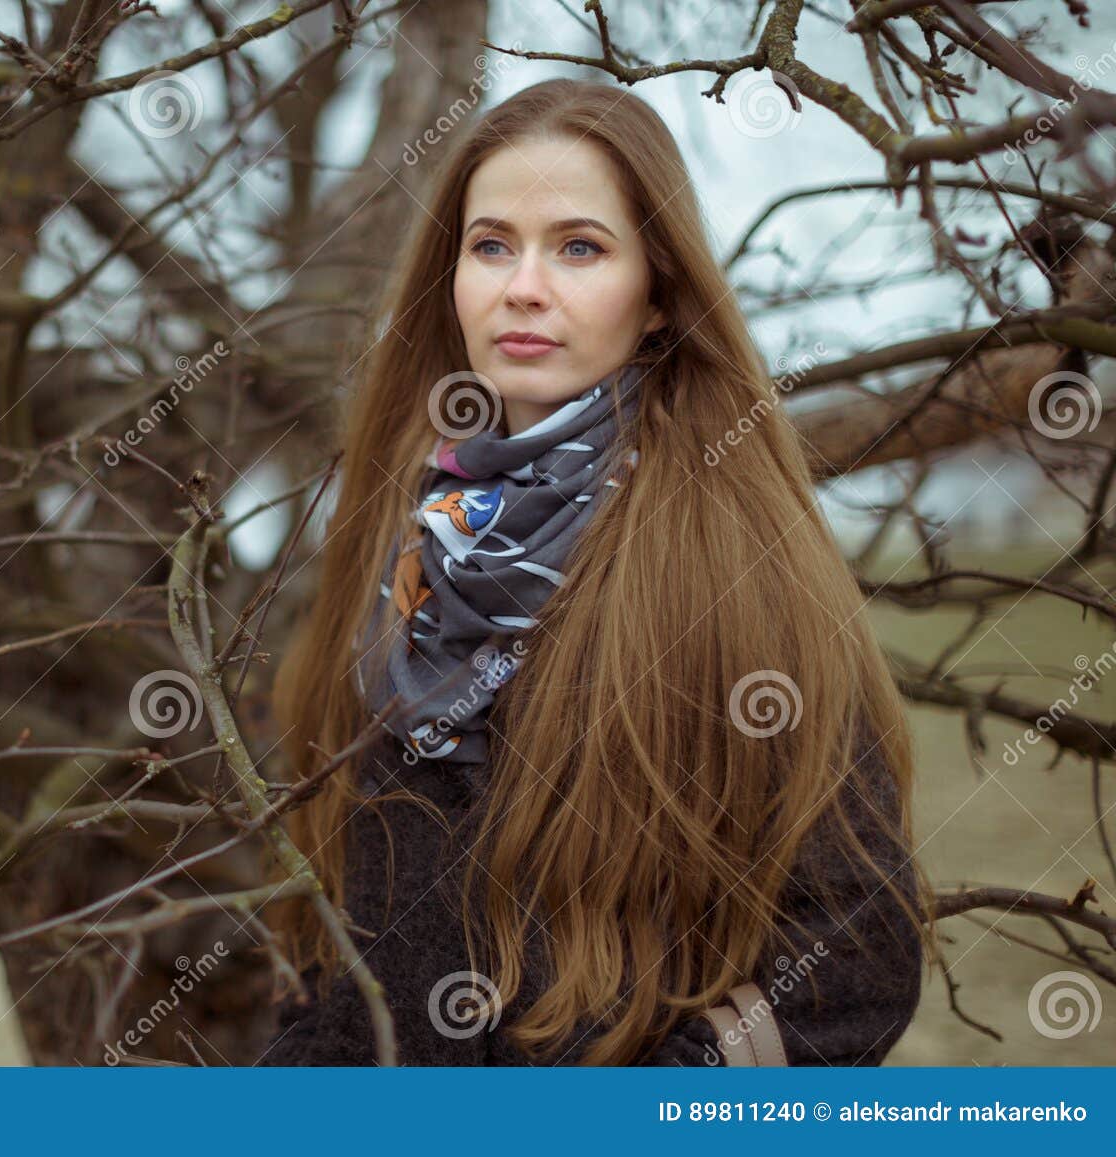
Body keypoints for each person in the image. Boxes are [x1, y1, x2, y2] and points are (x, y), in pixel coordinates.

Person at [259, 77, 936, 1066]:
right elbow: (332, 944)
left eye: (578, 247)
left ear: (658, 293)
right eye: (491, 245)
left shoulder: (733, 553)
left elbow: (857, 952)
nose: (522, 285)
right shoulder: (394, 548)